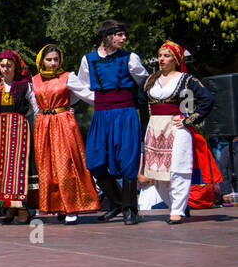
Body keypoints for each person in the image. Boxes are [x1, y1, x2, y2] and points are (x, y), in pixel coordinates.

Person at [78, 19, 149, 225]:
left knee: (127, 159)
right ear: (107, 36)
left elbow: (144, 83)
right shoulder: (88, 59)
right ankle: (117, 202)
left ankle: (130, 208)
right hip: (101, 115)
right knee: (94, 161)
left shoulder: (130, 58)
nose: (123, 38)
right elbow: (82, 86)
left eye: (124, 34)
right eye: (119, 34)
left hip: (125, 113)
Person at [140, 41, 218, 224]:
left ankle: (177, 209)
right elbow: (141, 104)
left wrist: (188, 119)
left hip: (177, 127)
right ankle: (178, 205)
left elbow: (207, 99)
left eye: (166, 56)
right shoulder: (150, 80)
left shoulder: (187, 80)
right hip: (154, 127)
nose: (161, 59)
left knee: (178, 169)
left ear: (176, 59)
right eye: (160, 55)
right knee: (157, 173)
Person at [29, 44, 100, 223]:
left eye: (56, 59)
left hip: (62, 123)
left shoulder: (68, 77)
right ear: (41, 61)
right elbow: (32, 105)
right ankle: (57, 205)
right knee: (47, 167)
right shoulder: (34, 80)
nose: (53, 63)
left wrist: (109, 102)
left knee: (66, 164)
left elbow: (85, 95)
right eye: (49, 60)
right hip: (43, 124)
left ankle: (71, 207)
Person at [0, 50, 35, 224]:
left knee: (17, 167)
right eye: (2, 65)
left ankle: (22, 207)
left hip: (18, 124)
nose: (5, 68)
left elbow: (33, 107)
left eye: (9, 65)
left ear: (16, 66)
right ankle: (10, 207)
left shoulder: (24, 84)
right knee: (1, 167)